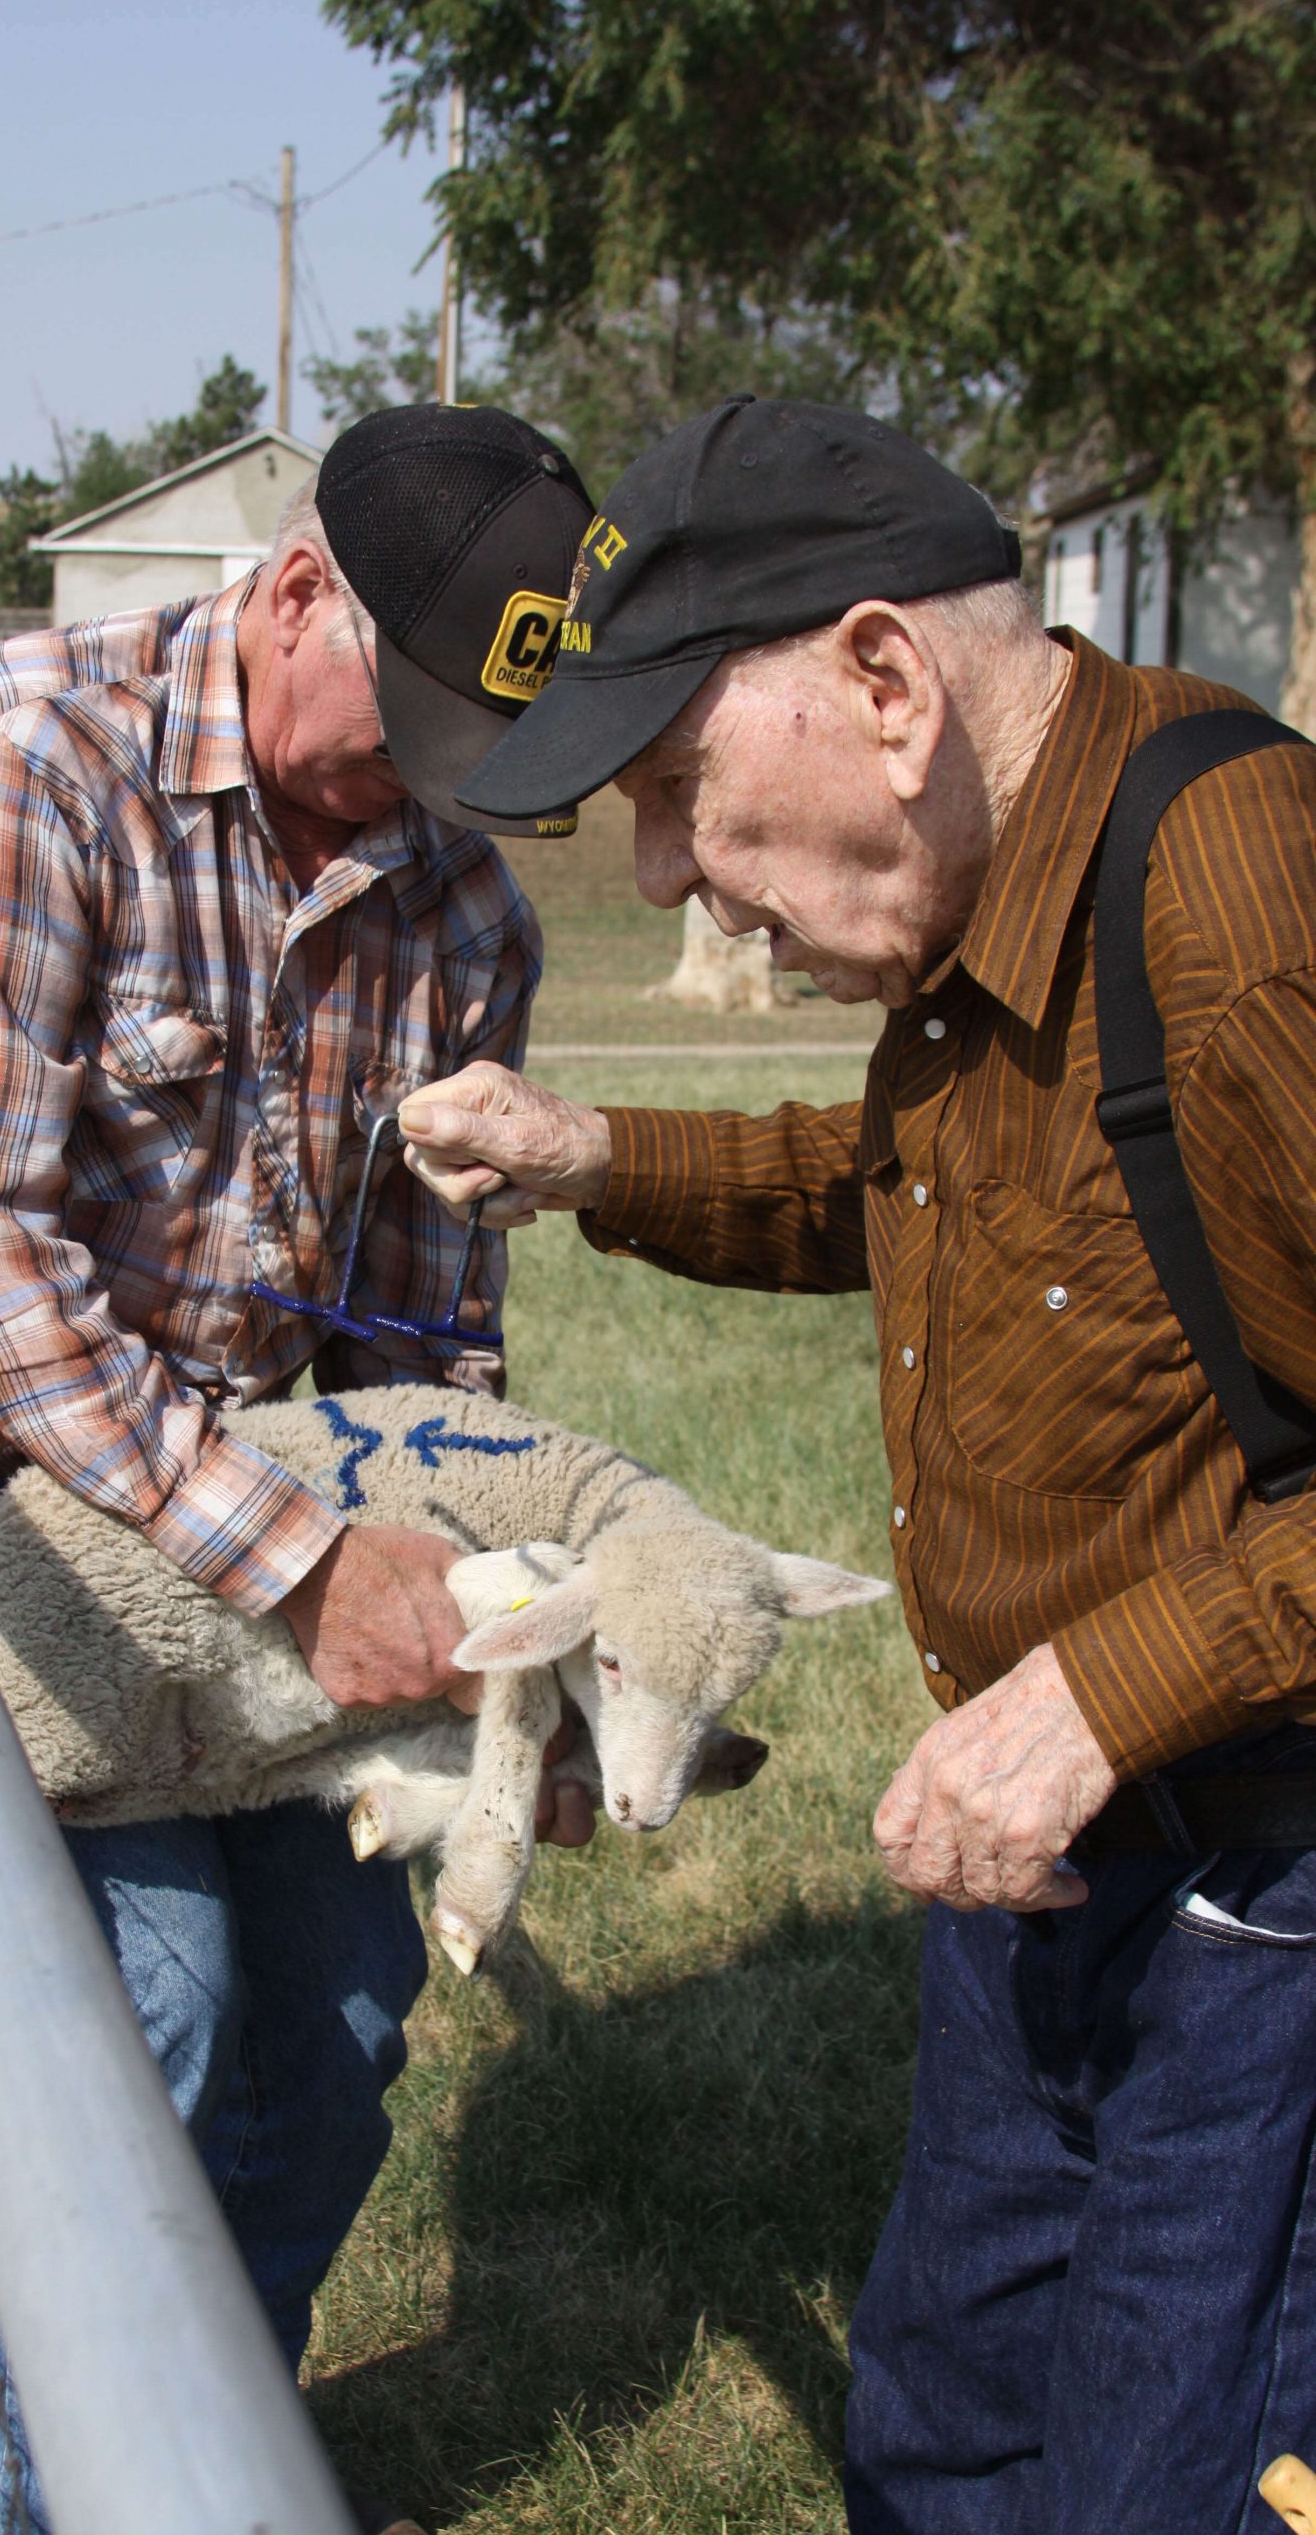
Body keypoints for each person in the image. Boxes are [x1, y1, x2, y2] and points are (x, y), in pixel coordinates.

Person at [395, 394, 1316, 2534]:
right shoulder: (995, 893)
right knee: (940, 2422)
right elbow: (905, 1183)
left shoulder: (1245, 915)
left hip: (1264, 1897)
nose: (654, 873)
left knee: (1162, 2486)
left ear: (883, 685)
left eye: (671, 786)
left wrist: (1102, 1685)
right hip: (1042, 1843)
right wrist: (599, 1154)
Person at [0, 401, 597, 2535]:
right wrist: (304, 1558)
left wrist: (496, 1615)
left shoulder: (462, 910)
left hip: (239, 1498)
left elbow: (421, 1324)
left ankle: (189, 2466)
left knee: (334, 2014)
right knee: (147, 1997)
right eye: (407, 714)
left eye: (472, 745)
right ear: (297, 585)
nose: (425, 783)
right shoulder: (23, 756)